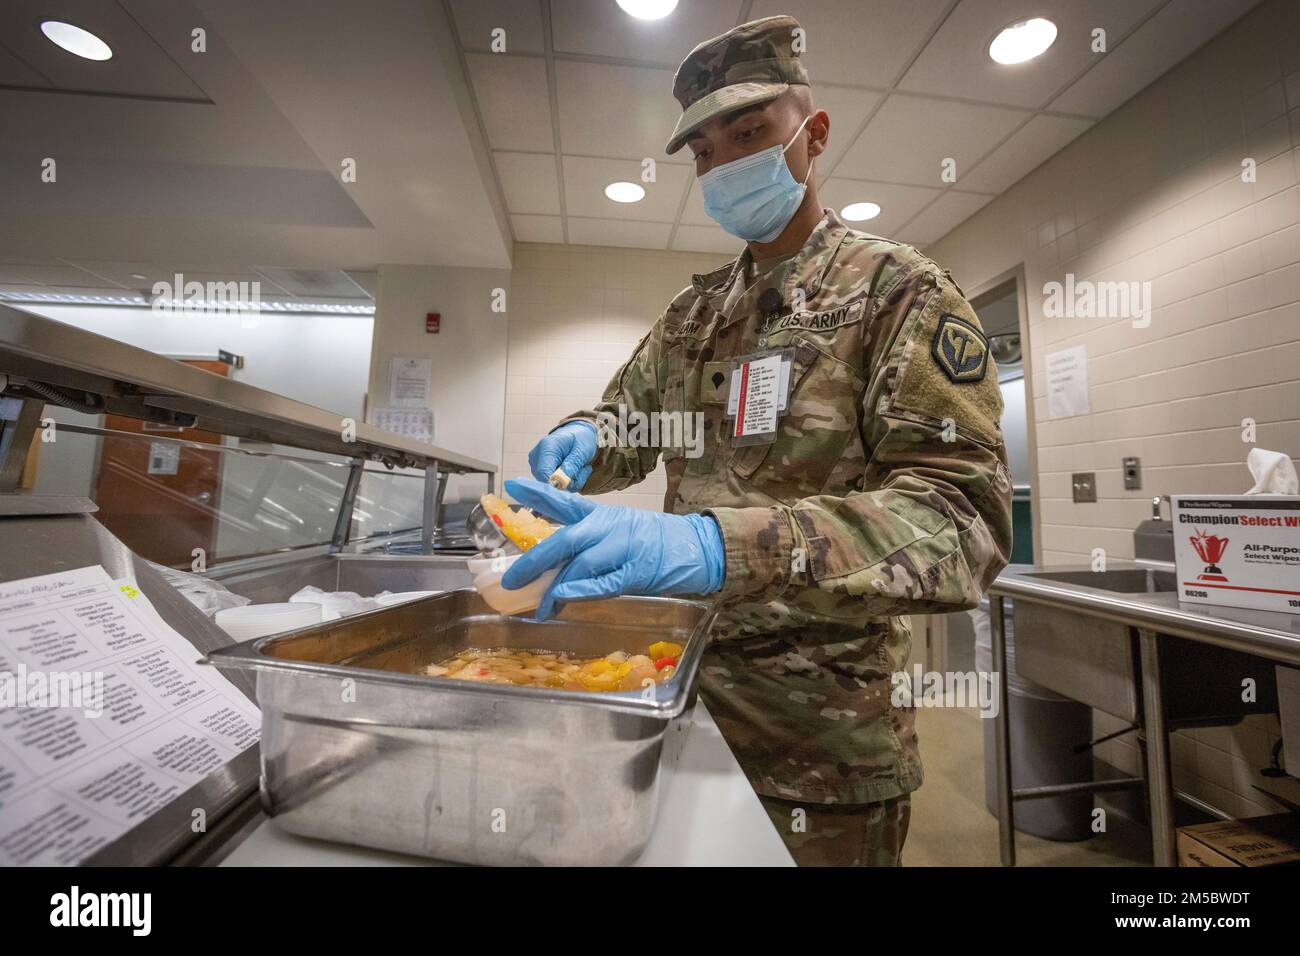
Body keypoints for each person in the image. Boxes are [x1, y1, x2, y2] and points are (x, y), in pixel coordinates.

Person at [501, 14, 1012, 866]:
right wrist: (585, 434)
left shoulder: (898, 293)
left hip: (821, 746)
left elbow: (962, 523)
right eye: (704, 151)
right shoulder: (695, 314)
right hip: (678, 698)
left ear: (814, 134)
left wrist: (716, 548)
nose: (724, 164)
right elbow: (632, 420)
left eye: (748, 134)